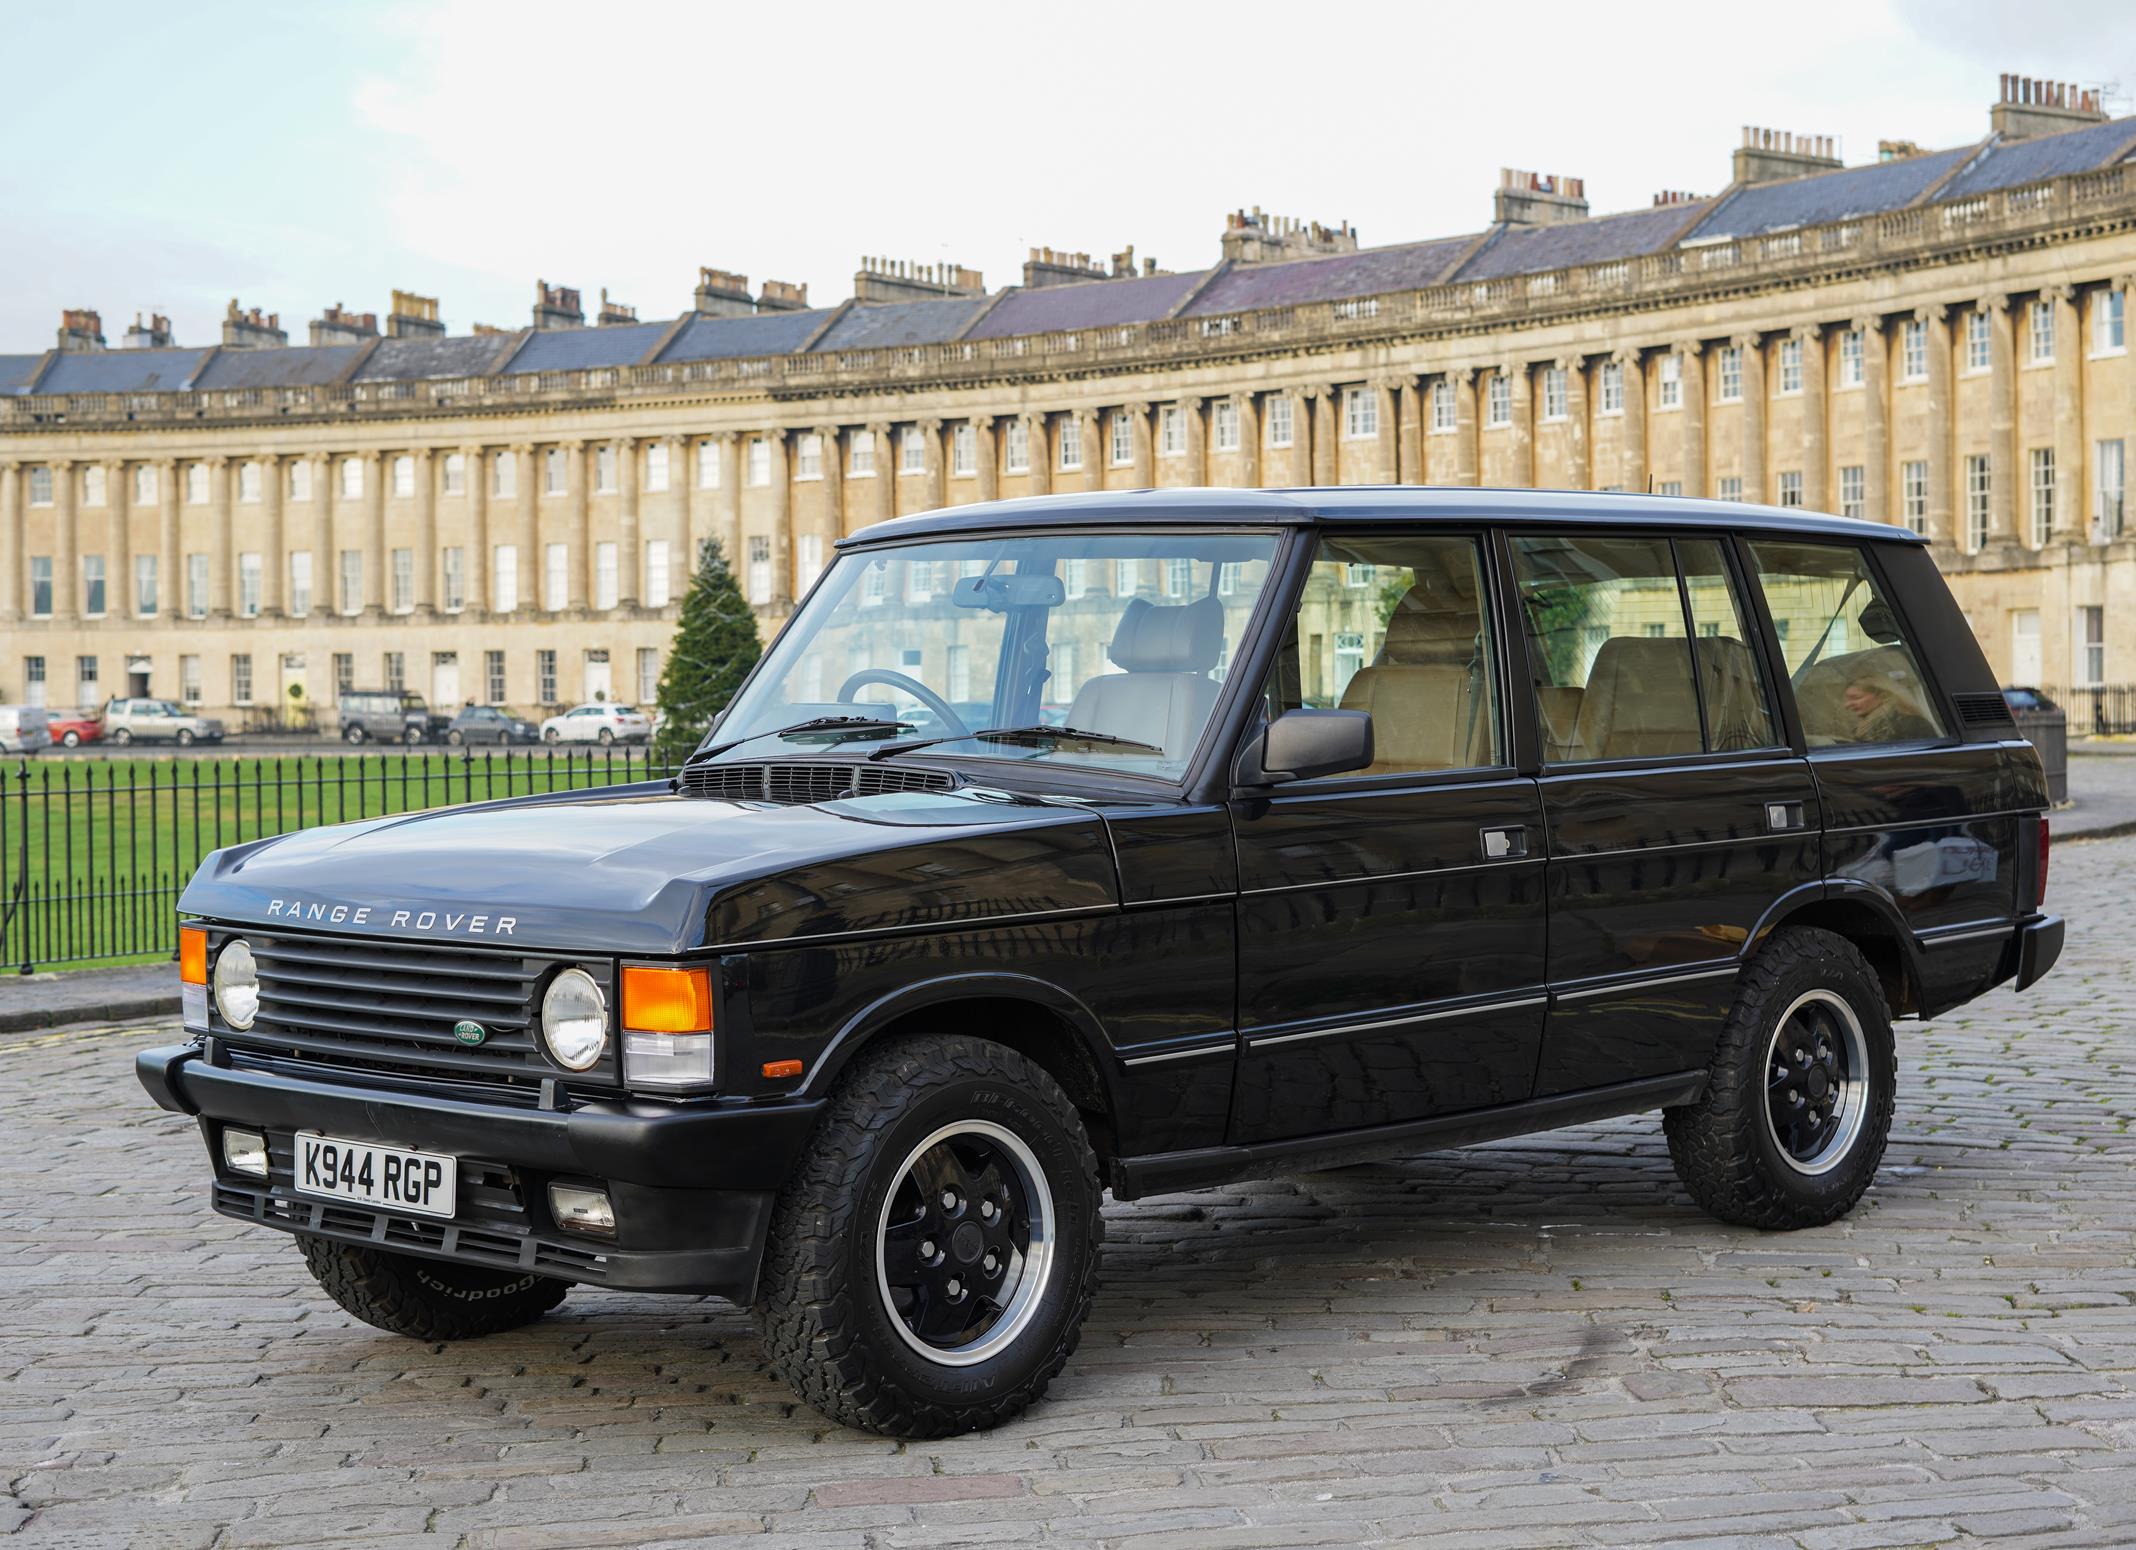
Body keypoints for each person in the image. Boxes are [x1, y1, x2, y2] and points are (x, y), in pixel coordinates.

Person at [1842, 669, 1936, 743]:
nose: (1847, 705)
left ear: (1882, 696)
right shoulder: (1864, 729)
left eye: (1856, 698)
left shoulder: (1912, 724)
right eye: (1847, 700)